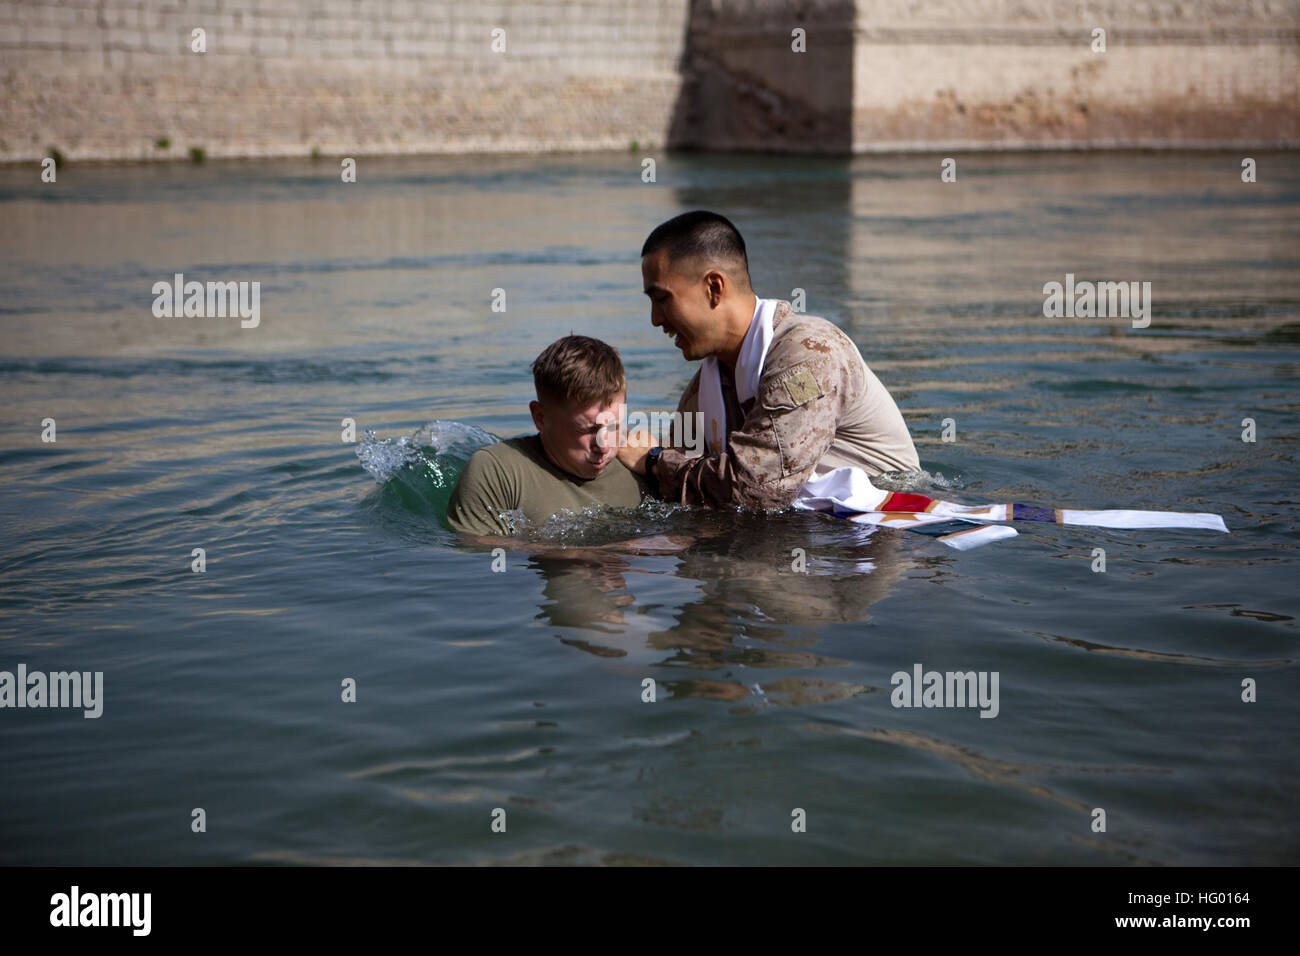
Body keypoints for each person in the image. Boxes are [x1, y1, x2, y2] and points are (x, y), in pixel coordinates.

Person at [617, 210, 920, 510]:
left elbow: (759, 491)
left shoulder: (810, 355)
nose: (655, 319)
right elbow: (676, 480)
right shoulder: (700, 395)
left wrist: (655, 459)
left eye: (662, 299)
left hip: (887, 535)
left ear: (714, 288)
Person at [446, 335, 652, 537]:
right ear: (540, 417)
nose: (604, 446)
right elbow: (477, 554)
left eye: (615, 425)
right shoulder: (497, 472)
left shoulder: (646, 462)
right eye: (588, 430)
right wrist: (609, 552)